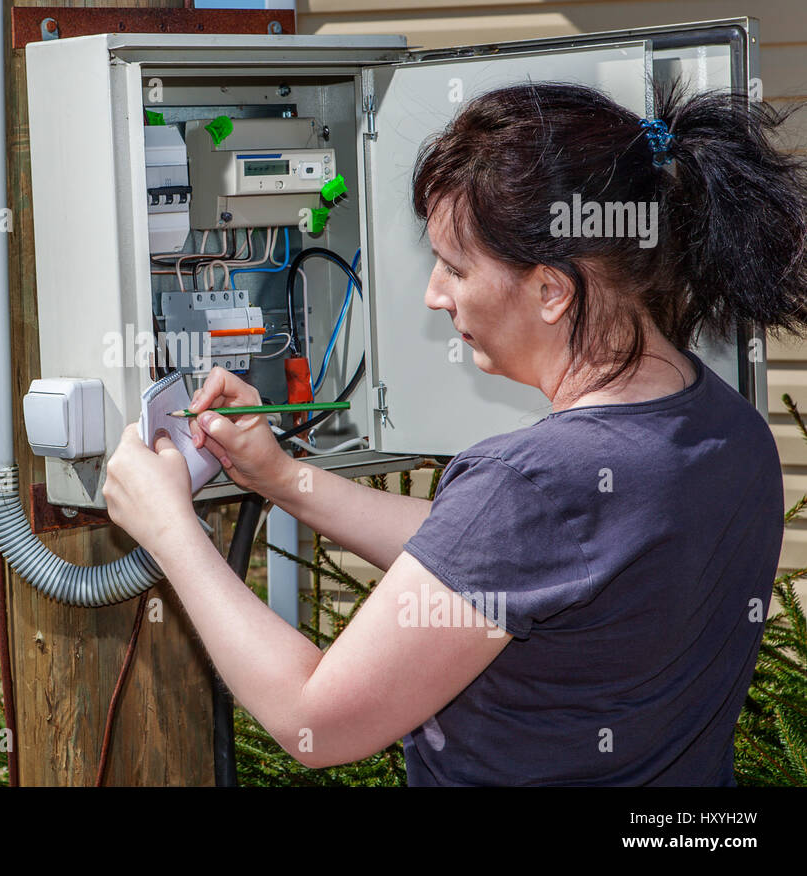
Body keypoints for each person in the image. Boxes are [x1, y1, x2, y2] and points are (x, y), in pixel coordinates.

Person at [101, 79, 807, 785]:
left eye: (455, 266)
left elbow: (312, 718)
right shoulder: (727, 428)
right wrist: (283, 479)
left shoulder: (532, 483)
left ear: (552, 289)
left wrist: (171, 533)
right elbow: (497, 561)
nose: (436, 293)